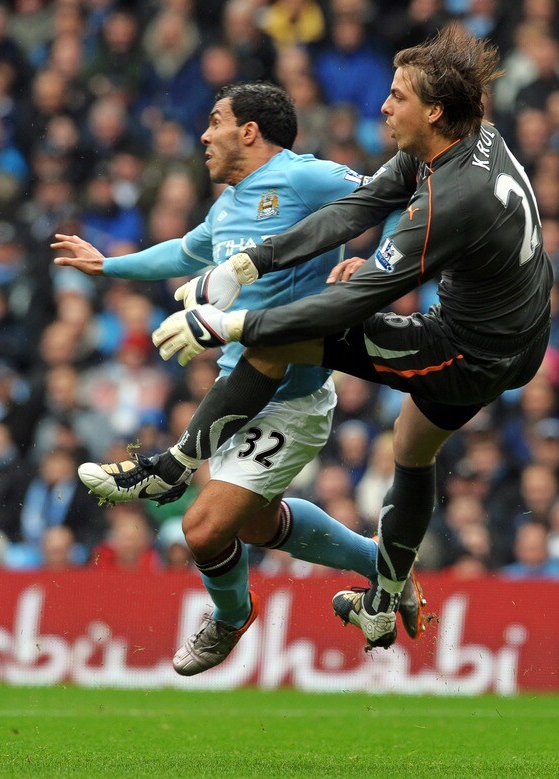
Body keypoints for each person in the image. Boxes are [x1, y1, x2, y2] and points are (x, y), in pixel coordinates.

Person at [87, 28, 552, 651]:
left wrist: (225, 323)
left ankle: (171, 469)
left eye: (397, 97)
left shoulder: (452, 197)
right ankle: (383, 599)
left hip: (466, 350)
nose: (383, 107)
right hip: (521, 336)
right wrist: (250, 264)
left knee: (289, 337)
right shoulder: (461, 142)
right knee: (411, 444)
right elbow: (358, 207)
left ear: (433, 111)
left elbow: (352, 300)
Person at [52, 82, 424, 676]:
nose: (204, 134)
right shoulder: (226, 207)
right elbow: (184, 253)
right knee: (255, 523)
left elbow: (392, 197)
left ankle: (230, 616)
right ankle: (386, 567)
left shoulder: (302, 178)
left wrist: (373, 265)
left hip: (291, 397)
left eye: (215, 121)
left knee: (200, 529)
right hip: (236, 392)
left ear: (248, 131)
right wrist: (109, 265)